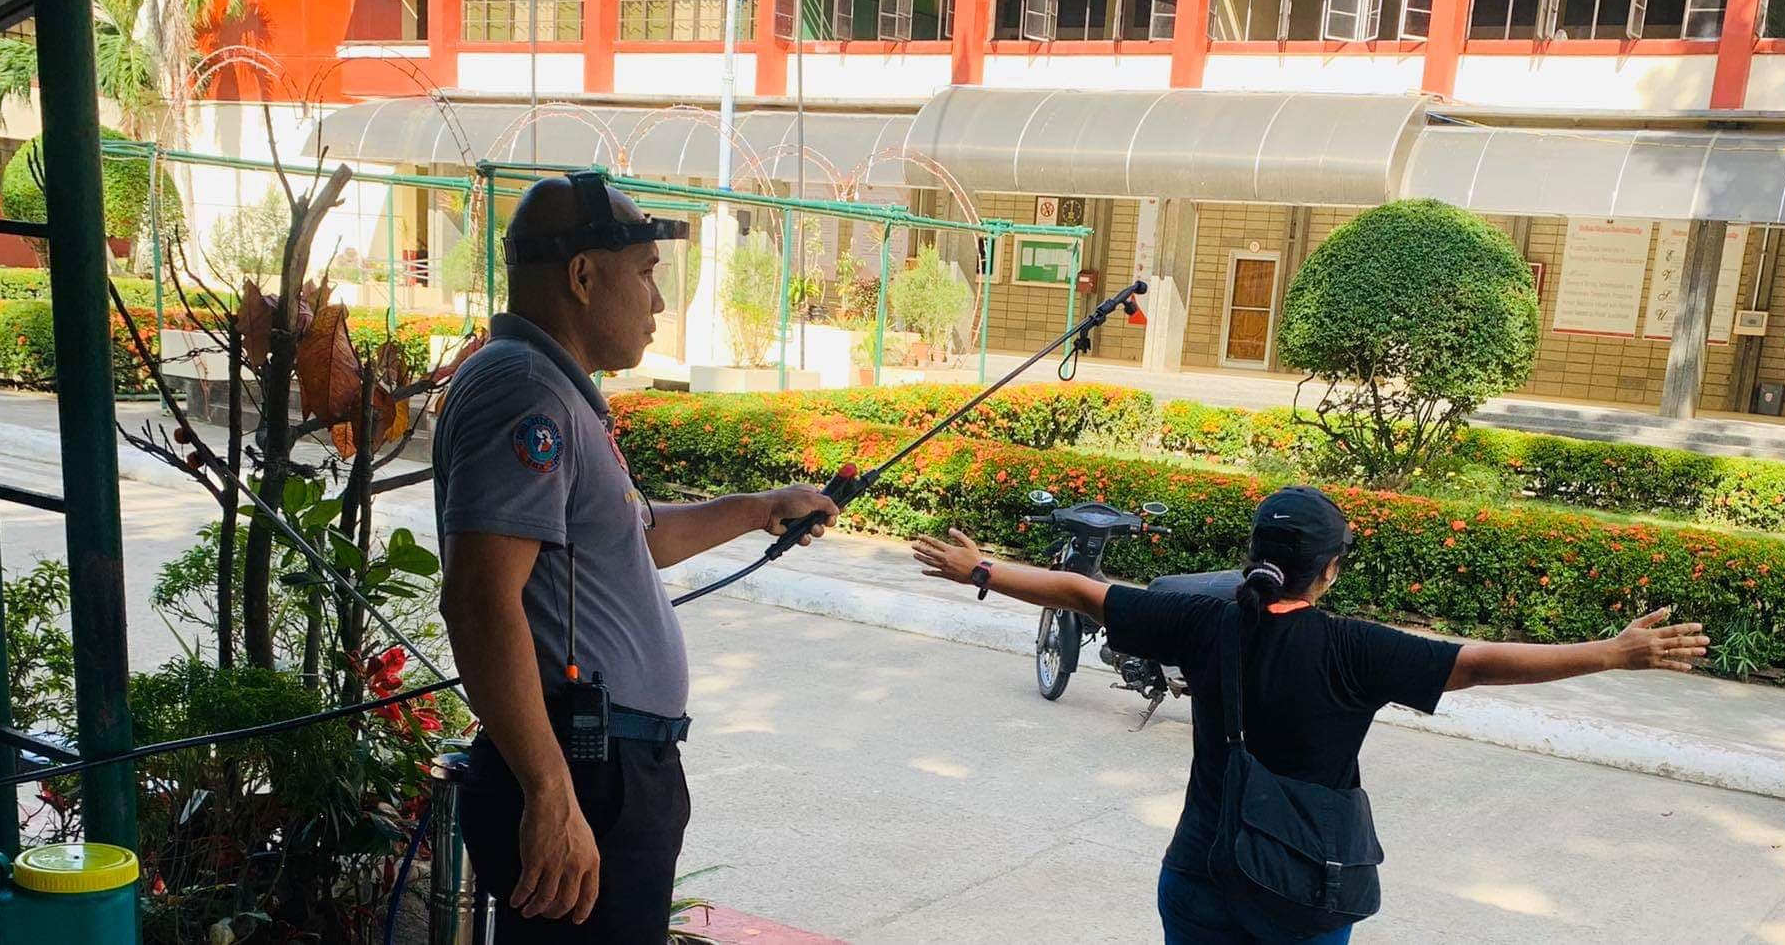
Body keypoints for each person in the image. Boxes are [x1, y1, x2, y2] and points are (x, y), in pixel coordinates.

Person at [912, 485, 1708, 944]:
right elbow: (1480, 663)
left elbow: (1083, 592)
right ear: (1329, 569)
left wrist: (979, 568)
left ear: (1253, 550)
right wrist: (1612, 650)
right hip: (1304, 893)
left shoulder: (1201, 620)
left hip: (1199, 876)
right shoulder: (1352, 650)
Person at [435, 174, 841, 943]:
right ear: (584, 276)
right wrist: (552, 793)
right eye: (649, 273)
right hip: (583, 767)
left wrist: (761, 508)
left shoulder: (550, 387)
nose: (659, 303)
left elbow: (639, 536)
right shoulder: (528, 396)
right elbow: (480, 600)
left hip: (609, 766)